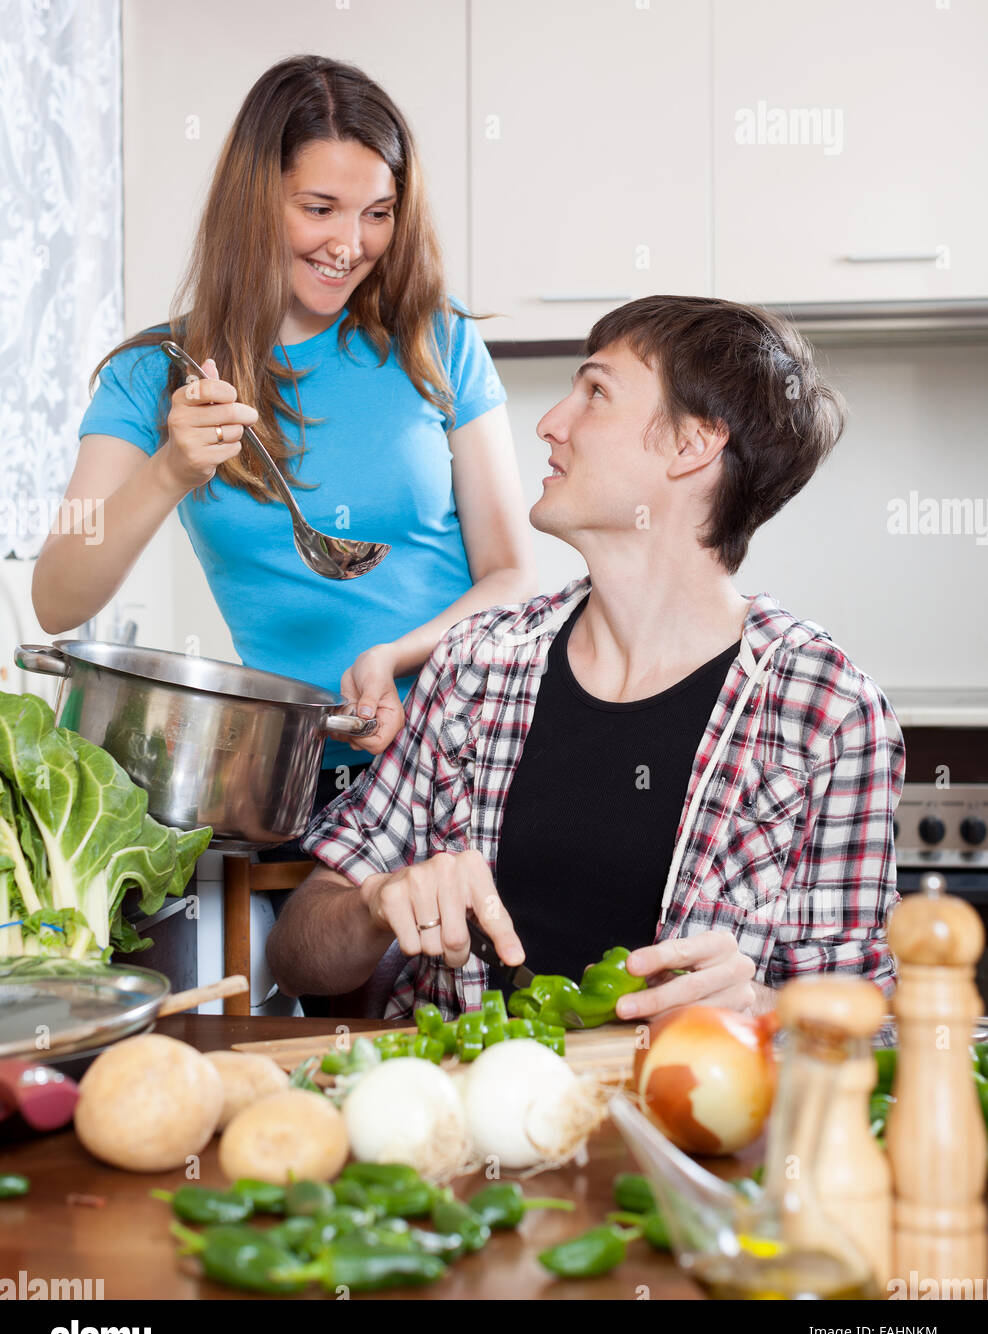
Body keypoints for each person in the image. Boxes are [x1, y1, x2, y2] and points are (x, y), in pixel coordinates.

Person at [266, 295, 905, 1023]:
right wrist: (375, 906)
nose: (550, 423)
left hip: (679, 1132)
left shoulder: (827, 710)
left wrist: (760, 1003)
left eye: (595, 392)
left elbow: (866, 1022)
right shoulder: (476, 665)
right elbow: (295, 953)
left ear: (693, 444)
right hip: (460, 1122)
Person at [33, 55, 536, 813]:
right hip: (294, 784)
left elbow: (510, 574)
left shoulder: (438, 338)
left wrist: (394, 655)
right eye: (320, 207)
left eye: (378, 212)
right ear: (255, 199)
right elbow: (57, 595)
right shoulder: (152, 374)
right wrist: (170, 469)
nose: (351, 244)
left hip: (472, 750)